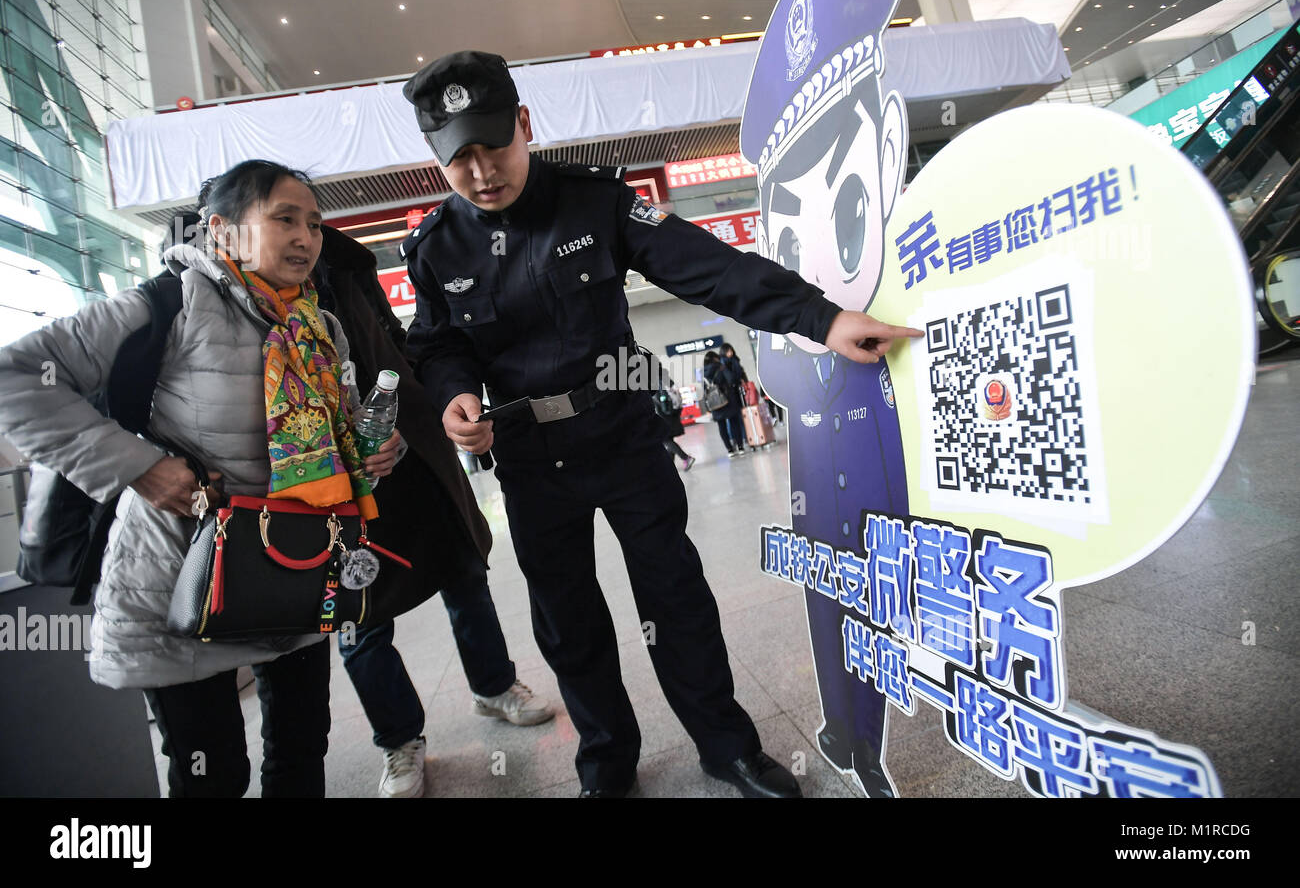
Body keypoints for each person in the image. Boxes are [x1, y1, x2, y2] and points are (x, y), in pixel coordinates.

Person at [398, 50, 920, 798]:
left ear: (523, 122)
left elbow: (712, 268)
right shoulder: (435, 248)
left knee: (675, 597)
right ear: (438, 160)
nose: (482, 171)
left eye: (494, 144)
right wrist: (453, 394)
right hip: (529, 456)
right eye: (461, 159)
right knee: (567, 621)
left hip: (622, 435)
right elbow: (437, 342)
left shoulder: (595, 201)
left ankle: (726, 744)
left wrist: (823, 317)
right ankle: (607, 763)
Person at [0, 160, 400, 797]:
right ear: (224, 230)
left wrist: (378, 451)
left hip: (294, 565)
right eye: (285, 219)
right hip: (177, 568)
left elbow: (344, 430)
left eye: (316, 224)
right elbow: (16, 376)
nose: (306, 237)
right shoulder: (168, 303)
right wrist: (142, 469)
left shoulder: (320, 328)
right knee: (210, 771)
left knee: (301, 754)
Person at [743, 0, 912, 797]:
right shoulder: (785, 332)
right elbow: (774, 364)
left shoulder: (912, 292)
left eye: (842, 209)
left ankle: (869, 745)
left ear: (886, 151)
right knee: (828, 609)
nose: (814, 260)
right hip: (817, 496)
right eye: (790, 233)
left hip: (893, 500)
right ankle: (844, 733)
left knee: (883, 615)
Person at [311, 224, 553, 799]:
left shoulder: (345, 263)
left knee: (463, 572)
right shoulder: (240, 303)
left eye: (304, 217)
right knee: (359, 613)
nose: (298, 234)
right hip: (327, 480)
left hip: (412, 444)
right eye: (280, 219)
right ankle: (398, 741)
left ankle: (494, 686)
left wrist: (424, 403)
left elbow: (396, 339)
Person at [702, 351, 745, 457]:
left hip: (714, 402)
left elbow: (703, 390)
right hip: (728, 399)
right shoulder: (721, 367)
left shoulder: (703, 373)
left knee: (722, 427)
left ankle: (730, 450)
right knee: (734, 423)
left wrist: (707, 407)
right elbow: (731, 379)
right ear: (716, 358)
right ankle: (740, 447)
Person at [720, 343, 759, 453]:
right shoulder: (722, 363)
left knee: (743, 416)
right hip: (731, 394)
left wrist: (745, 382)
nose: (730, 353)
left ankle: (746, 437)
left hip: (740, 392)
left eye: (731, 350)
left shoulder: (735, 360)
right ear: (723, 352)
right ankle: (737, 439)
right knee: (734, 418)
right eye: (728, 351)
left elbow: (741, 373)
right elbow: (729, 378)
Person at [652, 377, 694, 471]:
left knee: (665, 439)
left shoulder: (656, 381)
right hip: (673, 414)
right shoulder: (665, 378)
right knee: (669, 439)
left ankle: (686, 458)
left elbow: (660, 400)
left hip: (665, 415)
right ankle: (670, 467)